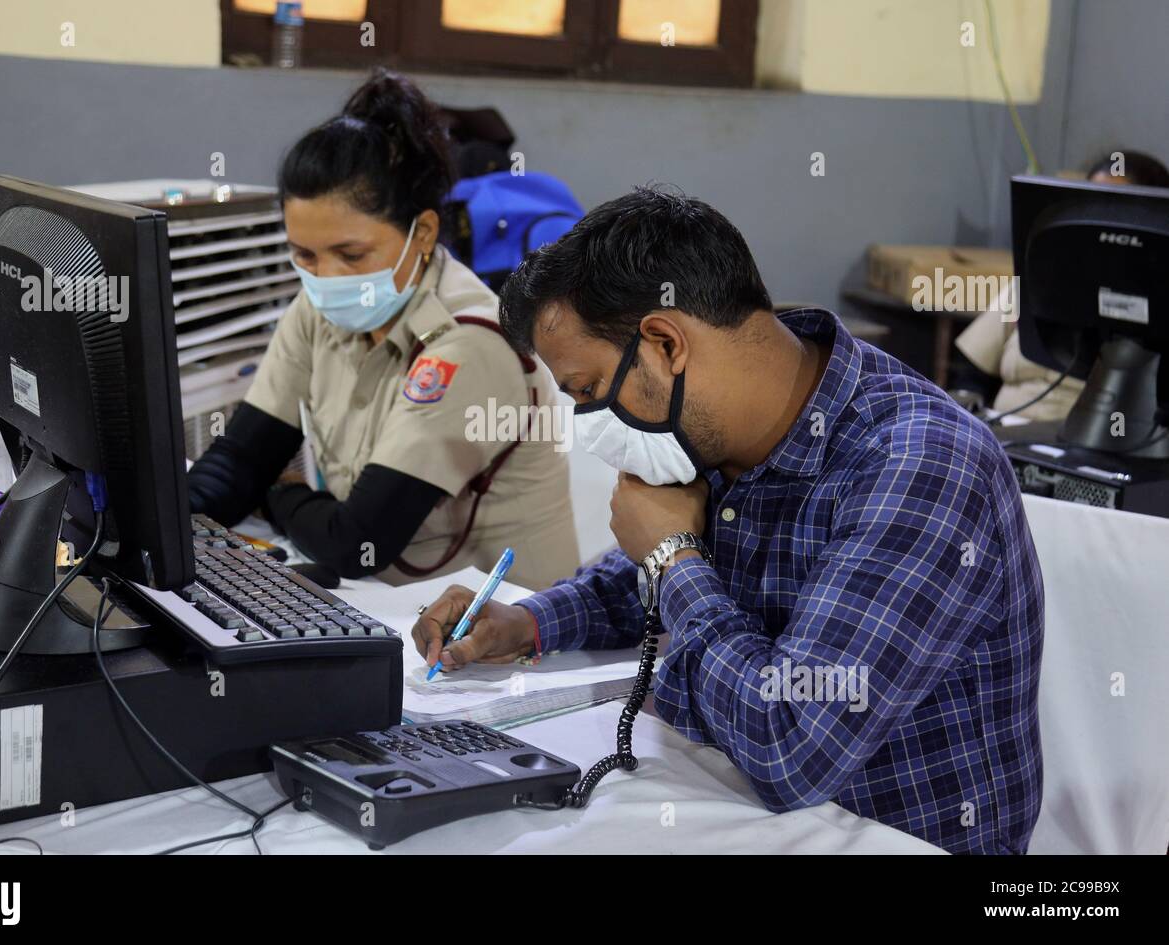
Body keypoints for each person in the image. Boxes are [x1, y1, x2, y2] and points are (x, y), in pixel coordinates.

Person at [411, 188, 1045, 854]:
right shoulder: (721, 423)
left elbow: (791, 745)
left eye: (588, 390)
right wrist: (530, 621)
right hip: (727, 799)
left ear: (664, 343)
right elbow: (646, 573)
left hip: (885, 834)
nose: (589, 422)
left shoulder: (919, 467)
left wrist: (673, 559)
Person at [186, 69, 577, 590]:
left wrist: (275, 487)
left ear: (424, 234)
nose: (324, 277)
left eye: (351, 254)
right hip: (391, 605)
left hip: (496, 636)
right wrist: (158, 520)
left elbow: (356, 543)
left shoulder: (467, 344)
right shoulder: (318, 310)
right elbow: (239, 460)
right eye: (304, 254)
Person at [953, 149, 1169, 420]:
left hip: (1090, 442)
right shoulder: (1040, 279)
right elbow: (973, 371)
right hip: (1003, 434)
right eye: (1092, 202)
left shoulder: (1157, 305)